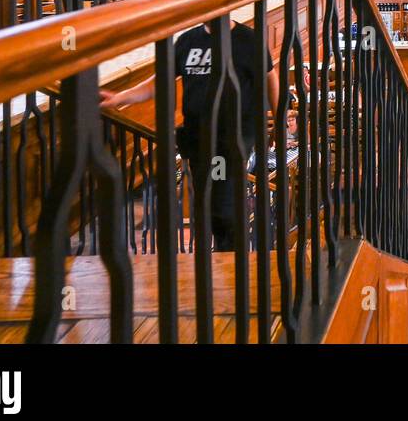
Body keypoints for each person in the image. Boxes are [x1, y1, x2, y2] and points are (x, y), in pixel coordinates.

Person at [100, 21, 278, 250]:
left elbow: (269, 77)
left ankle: (231, 255)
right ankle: (224, 254)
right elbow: (159, 80)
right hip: (197, 138)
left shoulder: (247, 40)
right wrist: (120, 98)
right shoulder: (188, 41)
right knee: (208, 202)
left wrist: (279, 118)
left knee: (221, 201)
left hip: (229, 140)